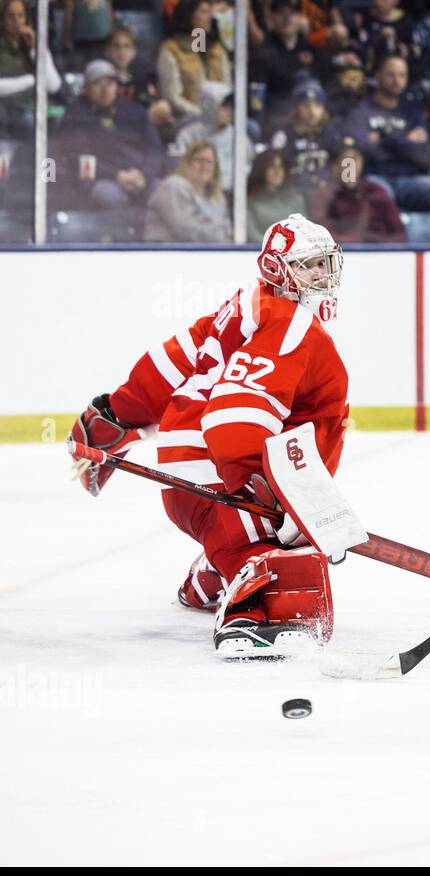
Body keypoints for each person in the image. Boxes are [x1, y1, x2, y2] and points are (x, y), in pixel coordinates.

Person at [68, 214, 349, 658]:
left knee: (266, 530)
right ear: (278, 269)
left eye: (325, 263)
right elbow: (240, 406)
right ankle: (248, 610)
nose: (321, 275)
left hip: (189, 467)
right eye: (308, 265)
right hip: (215, 467)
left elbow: (172, 361)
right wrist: (252, 478)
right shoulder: (290, 323)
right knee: (272, 548)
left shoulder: (244, 308)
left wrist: (115, 415)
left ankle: (209, 579)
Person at [55, 58, 162, 212]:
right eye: (97, 83)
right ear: (85, 88)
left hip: (139, 177)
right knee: (110, 196)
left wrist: (143, 175)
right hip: (101, 179)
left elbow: (155, 149)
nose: (105, 89)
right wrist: (116, 175)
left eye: (110, 83)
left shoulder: (135, 111)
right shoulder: (75, 116)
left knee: (164, 193)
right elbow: (80, 156)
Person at [339, 52, 430, 210]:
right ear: (377, 76)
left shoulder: (413, 114)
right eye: (391, 75)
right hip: (374, 177)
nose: (397, 80)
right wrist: (406, 141)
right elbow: (359, 149)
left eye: (402, 75)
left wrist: (383, 139)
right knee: (381, 195)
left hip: (411, 180)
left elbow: (425, 155)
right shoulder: (361, 112)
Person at [311, 136, 407, 243]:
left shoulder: (376, 191)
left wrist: (382, 247)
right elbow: (320, 234)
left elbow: (399, 233)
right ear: (335, 166)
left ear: (361, 162)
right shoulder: (326, 195)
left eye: (355, 159)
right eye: (346, 159)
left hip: (380, 254)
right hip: (343, 253)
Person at [157, 0, 231, 121]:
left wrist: (222, 112)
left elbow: (227, 87)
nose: (210, 17)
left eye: (209, 12)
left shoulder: (216, 49)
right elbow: (173, 97)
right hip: (186, 116)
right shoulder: (172, 50)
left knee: (250, 127)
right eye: (203, 12)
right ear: (188, 15)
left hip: (219, 116)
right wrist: (202, 113)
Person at [145, 139, 232, 241]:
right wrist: (222, 235)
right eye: (199, 160)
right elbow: (187, 231)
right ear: (187, 163)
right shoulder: (173, 185)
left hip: (209, 253)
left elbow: (227, 229)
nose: (204, 166)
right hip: (168, 253)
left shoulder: (217, 197)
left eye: (209, 162)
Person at [173, 82, 253, 193]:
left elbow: (249, 166)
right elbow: (181, 169)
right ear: (209, 105)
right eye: (224, 107)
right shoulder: (188, 135)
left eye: (232, 107)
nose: (229, 112)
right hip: (197, 194)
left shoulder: (239, 136)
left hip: (234, 196)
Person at [252, 0, 319, 123]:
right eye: (281, 14)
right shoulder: (263, 53)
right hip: (277, 119)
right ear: (272, 18)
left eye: (291, 14)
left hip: (311, 117)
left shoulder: (312, 51)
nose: (287, 19)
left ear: (299, 18)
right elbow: (257, 96)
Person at [267, 78, 335, 194]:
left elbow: (347, 160)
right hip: (293, 194)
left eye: (317, 105)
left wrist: (344, 182)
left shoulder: (332, 133)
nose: (312, 112)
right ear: (296, 108)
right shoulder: (283, 136)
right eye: (306, 106)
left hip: (326, 194)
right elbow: (275, 170)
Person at [0, 0, 62, 126]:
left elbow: (54, 85)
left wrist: (36, 48)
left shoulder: (33, 47)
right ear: (3, 19)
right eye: (10, 16)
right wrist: (31, 80)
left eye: (20, 15)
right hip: (7, 114)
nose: (16, 20)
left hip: (35, 110)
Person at [247, 148, 307, 236]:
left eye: (281, 167)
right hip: (259, 248)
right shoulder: (251, 201)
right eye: (272, 167)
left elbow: (304, 230)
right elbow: (251, 234)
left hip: (293, 248)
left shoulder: (296, 199)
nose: (277, 172)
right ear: (262, 170)